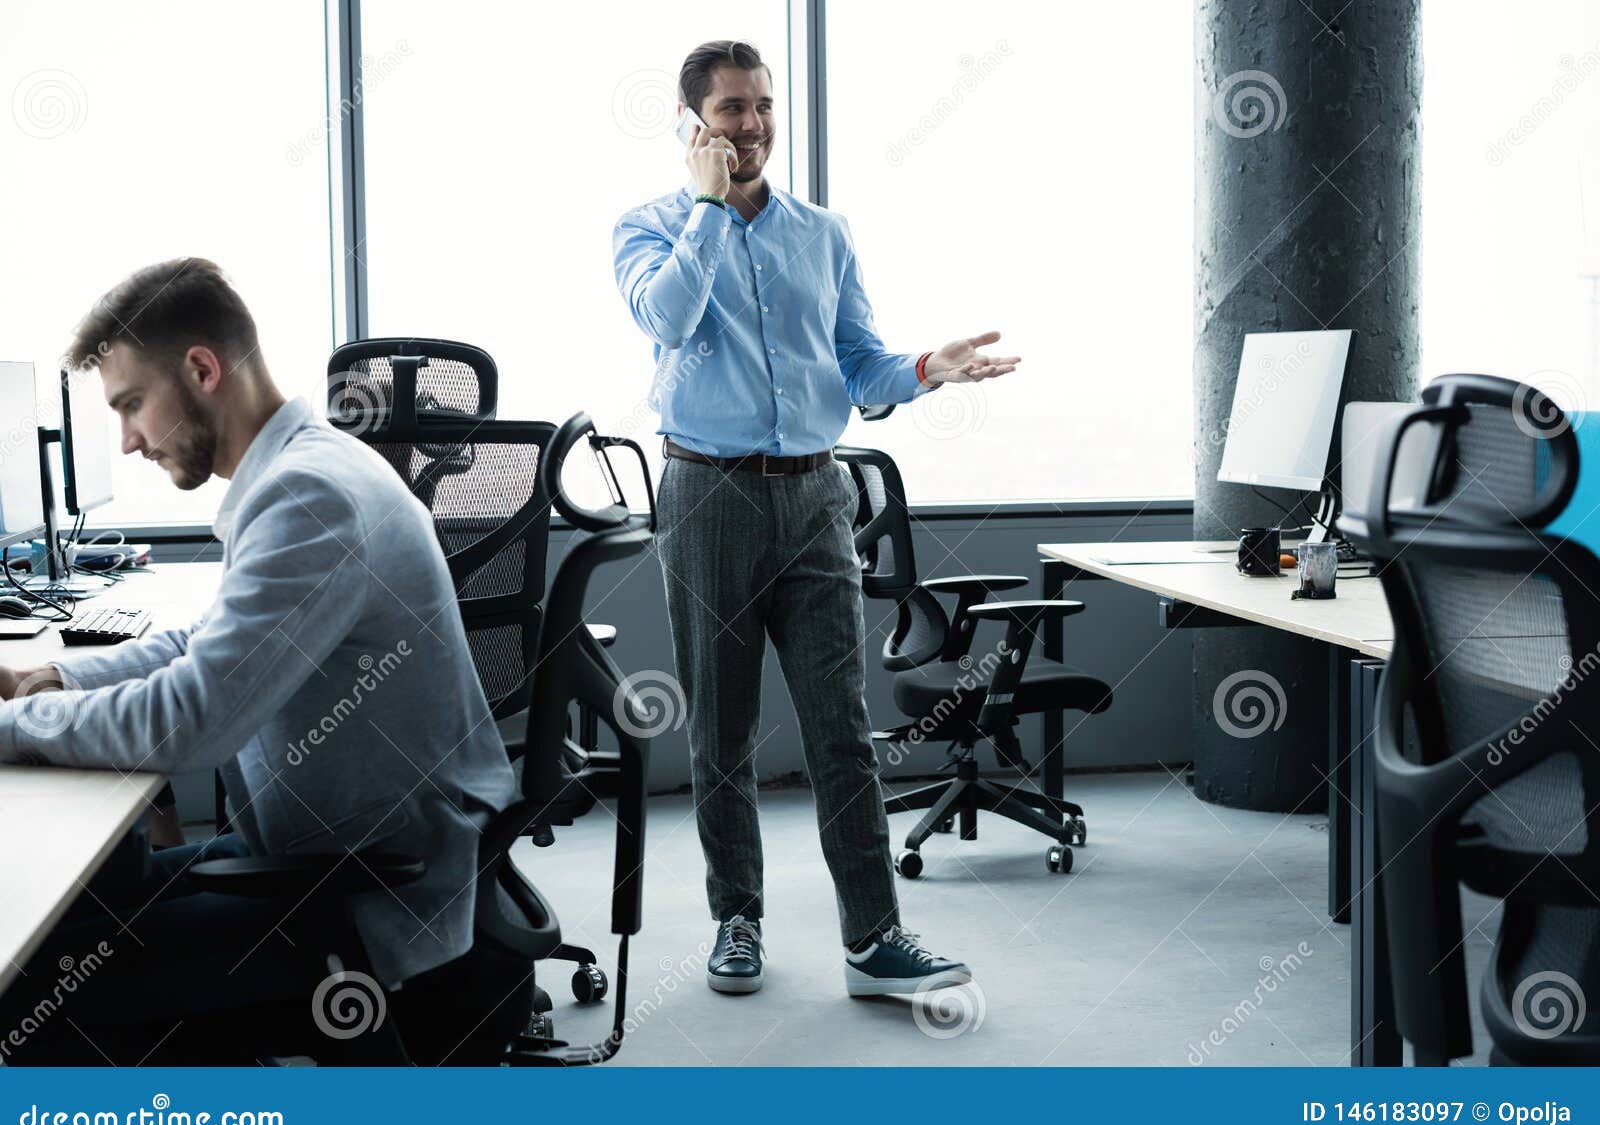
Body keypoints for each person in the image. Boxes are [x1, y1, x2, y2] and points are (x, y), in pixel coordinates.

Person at [0, 258, 517, 1063]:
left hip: (367, 894)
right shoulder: (307, 467)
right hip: (323, 854)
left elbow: (194, 719)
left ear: (202, 369)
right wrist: (57, 678)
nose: (129, 439)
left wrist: (13, 725)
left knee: (28, 997)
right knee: (82, 907)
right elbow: (205, 643)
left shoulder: (309, 496)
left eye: (132, 404)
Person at [613, 40, 1019, 998]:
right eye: (729, 110)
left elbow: (859, 365)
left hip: (814, 493)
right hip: (707, 492)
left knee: (842, 724)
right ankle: (737, 920)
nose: (750, 125)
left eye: (762, 106)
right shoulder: (649, 227)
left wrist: (926, 368)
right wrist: (710, 207)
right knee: (722, 726)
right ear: (690, 124)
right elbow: (669, 319)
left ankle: (875, 937)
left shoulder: (822, 234)